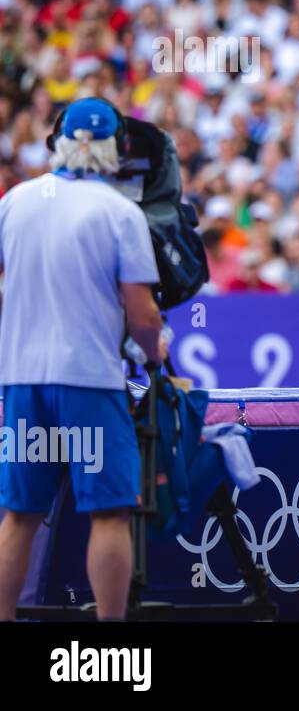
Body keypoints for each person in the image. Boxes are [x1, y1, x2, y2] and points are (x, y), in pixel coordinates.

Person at [0, 98, 168, 621]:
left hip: (24, 381)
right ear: (115, 149)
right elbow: (142, 316)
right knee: (110, 515)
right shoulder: (120, 213)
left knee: (19, 516)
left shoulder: (15, 201)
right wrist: (154, 348)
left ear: (59, 143)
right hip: (89, 383)